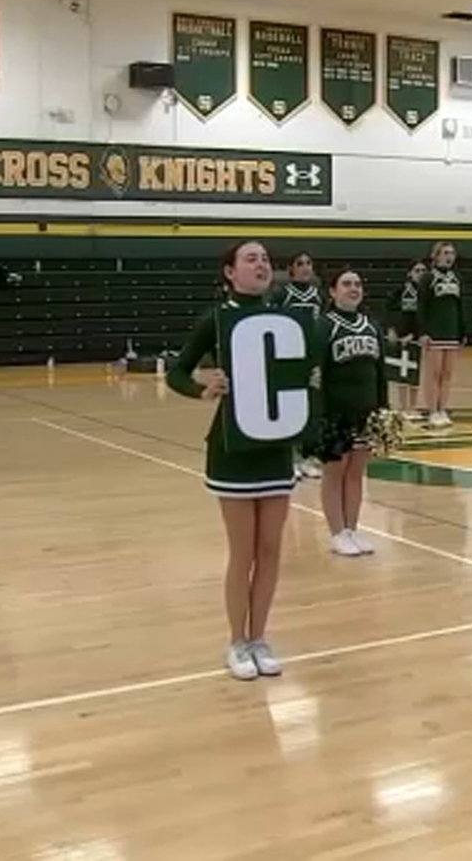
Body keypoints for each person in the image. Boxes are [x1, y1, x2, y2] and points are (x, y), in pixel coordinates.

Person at [166, 239, 296, 681]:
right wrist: (203, 389)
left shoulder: (287, 319)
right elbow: (176, 371)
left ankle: (260, 637)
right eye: (250, 259)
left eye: (265, 259)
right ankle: (236, 642)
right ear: (229, 272)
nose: (261, 265)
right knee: (243, 552)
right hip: (232, 448)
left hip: (277, 448)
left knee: (271, 549)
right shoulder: (216, 319)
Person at [310, 268, 388, 556]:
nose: (353, 288)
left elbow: (380, 372)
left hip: (365, 413)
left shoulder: (371, 325)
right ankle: (337, 532)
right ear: (332, 291)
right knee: (335, 473)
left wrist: (382, 410)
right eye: (346, 284)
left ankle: (352, 529)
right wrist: (318, 414)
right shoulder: (323, 326)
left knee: (356, 473)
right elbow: (315, 371)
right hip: (334, 412)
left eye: (357, 284)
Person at [274, 252, 325, 480]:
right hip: (288, 357)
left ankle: (307, 456)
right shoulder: (282, 294)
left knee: (312, 409)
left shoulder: (318, 294)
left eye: (309, 263)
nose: (305, 267)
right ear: (291, 270)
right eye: (300, 264)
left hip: (311, 357)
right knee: (290, 409)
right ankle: (289, 459)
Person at [416, 241, 464, 429]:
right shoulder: (428, 278)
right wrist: (423, 332)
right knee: (434, 374)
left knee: (447, 374)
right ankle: (433, 411)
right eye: (445, 253)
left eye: (451, 253)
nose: (449, 256)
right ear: (436, 256)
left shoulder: (457, 278)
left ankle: (443, 409)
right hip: (434, 333)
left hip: (451, 331)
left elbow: (460, 307)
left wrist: (462, 331)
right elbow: (421, 307)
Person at [385, 259, 428, 421]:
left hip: (417, 337)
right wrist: (391, 328)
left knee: (414, 374)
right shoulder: (402, 290)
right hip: (400, 336)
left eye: (424, 270)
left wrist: (415, 334)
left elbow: (426, 317)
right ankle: (403, 407)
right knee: (401, 374)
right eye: (417, 270)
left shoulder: (426, 292)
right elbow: (388, 308)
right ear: (409, 273)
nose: (421, 274)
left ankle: (413, 406)